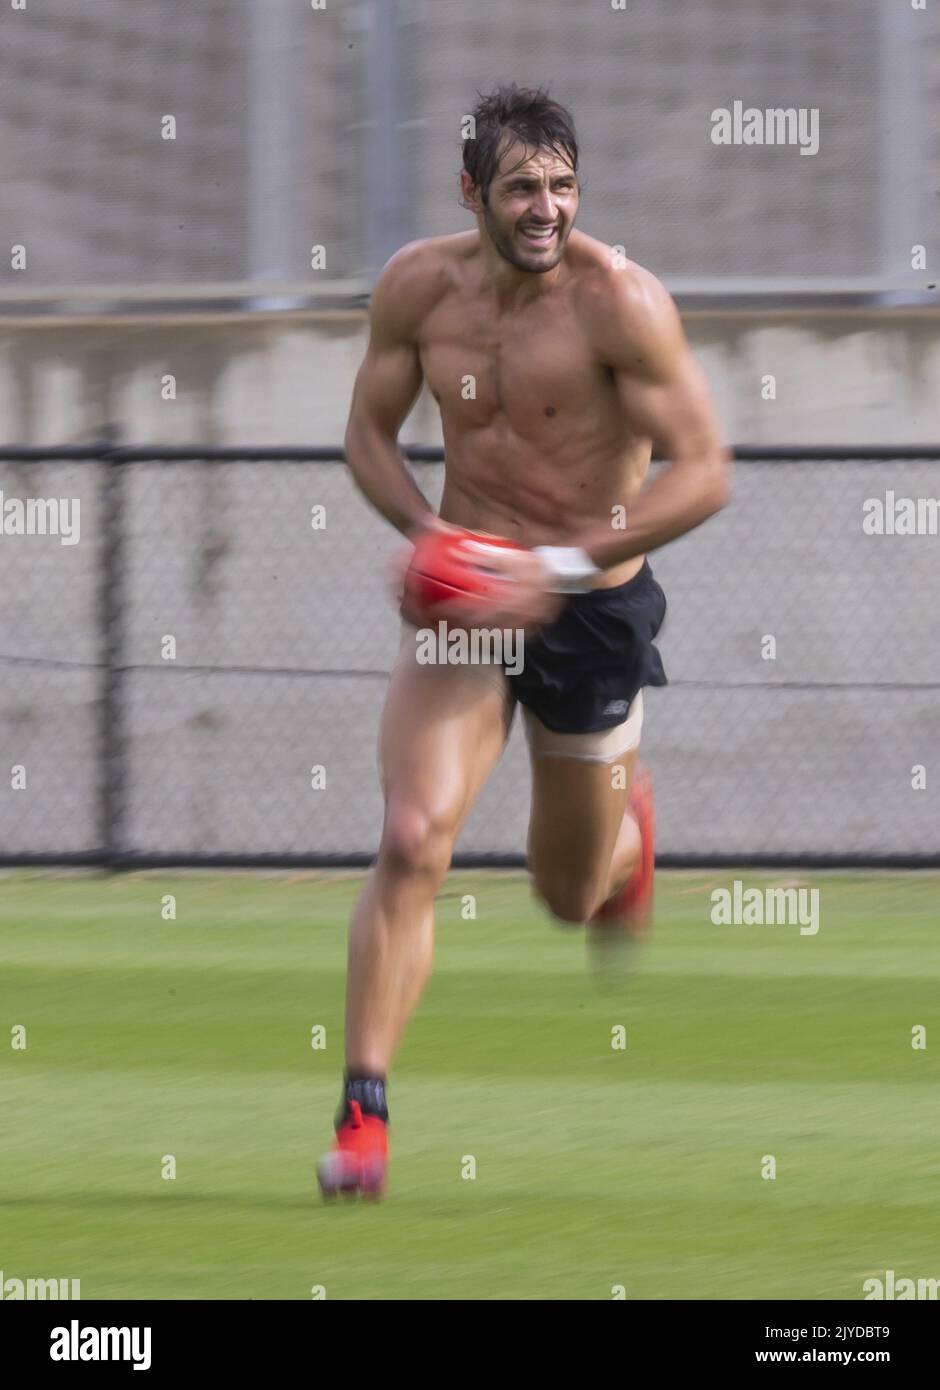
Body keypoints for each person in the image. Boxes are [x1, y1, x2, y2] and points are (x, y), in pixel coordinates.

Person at [318, 83, 730, 1198]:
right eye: (519, 187)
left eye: (560, 184)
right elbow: (365, 430)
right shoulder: (417, 287)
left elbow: (705, 470)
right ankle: (364, 1115)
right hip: (464, 608)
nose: (544, 207)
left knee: (567, 896)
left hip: (585, 609)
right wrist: (430, 538)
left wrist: (548, 570)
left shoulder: (621, 303)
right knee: (411, 838)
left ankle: (625, 845)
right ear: (473, 193)